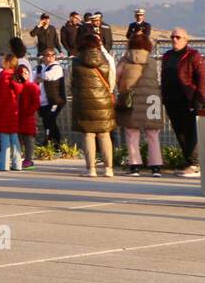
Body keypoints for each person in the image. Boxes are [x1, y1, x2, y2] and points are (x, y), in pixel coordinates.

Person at [116, 33, 162, 177]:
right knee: (152, 134)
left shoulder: (124, 60)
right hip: (152, 100)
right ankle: (156, 167)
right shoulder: (152, 61)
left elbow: (116, 78)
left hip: (131, 99)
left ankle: (135, 166)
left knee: (132, 133)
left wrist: (122, 89)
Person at [71, 34, 116, 178]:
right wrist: (107, 91)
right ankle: (108, 169)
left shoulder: (76, 61)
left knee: (88, 134)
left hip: (83, 102)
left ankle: (91, 169)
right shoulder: (106, 59)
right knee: (104, 134)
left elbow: (69, 82)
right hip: (103, 101)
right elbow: (111, 80)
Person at [160, 28, 202, 177]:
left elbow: (202, 77)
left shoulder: (193, 55)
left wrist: (199, 99)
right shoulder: (167, 56)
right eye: (172, 37)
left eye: (178, 37)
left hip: (187, 101)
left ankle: (196, 164)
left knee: (191, 132)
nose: (174, 40)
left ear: (185, 39)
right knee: (180, 133)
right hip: (171, 101)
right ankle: (189, 161)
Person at [0, 54, 23, 171]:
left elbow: (0, 97)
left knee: (4, 138)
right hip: (13, 110)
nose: (0, 62)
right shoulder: (15, 76)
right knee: (14, 137)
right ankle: (17, 163)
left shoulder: (4, 76)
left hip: (3, 111)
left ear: (7, 62)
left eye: (2, 60)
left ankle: (4, 164)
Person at [36, 47, 66, 147]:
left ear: (54, 56)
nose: (48, 58)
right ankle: (49, 142)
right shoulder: (41, 67)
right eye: (46, 55)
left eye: (50, 55)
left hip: (55, 100)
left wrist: (40, 76)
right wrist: (39, 76)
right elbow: (33, 76)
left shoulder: (56, 67)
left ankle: (55, 144)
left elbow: (49, 76)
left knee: (50, 120)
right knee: (46, 121)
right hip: (44, 101)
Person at [17, 59, 41, 168]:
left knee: (28, 139)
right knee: (19, 139)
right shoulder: (18, 86)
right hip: (18, 116)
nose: (24, 75)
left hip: (27, 117)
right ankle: (19, 158)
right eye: (22, 73)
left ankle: (29, 159)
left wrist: (28, 112)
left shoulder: (32, 86)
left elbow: (36, 103)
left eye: (26, 73)